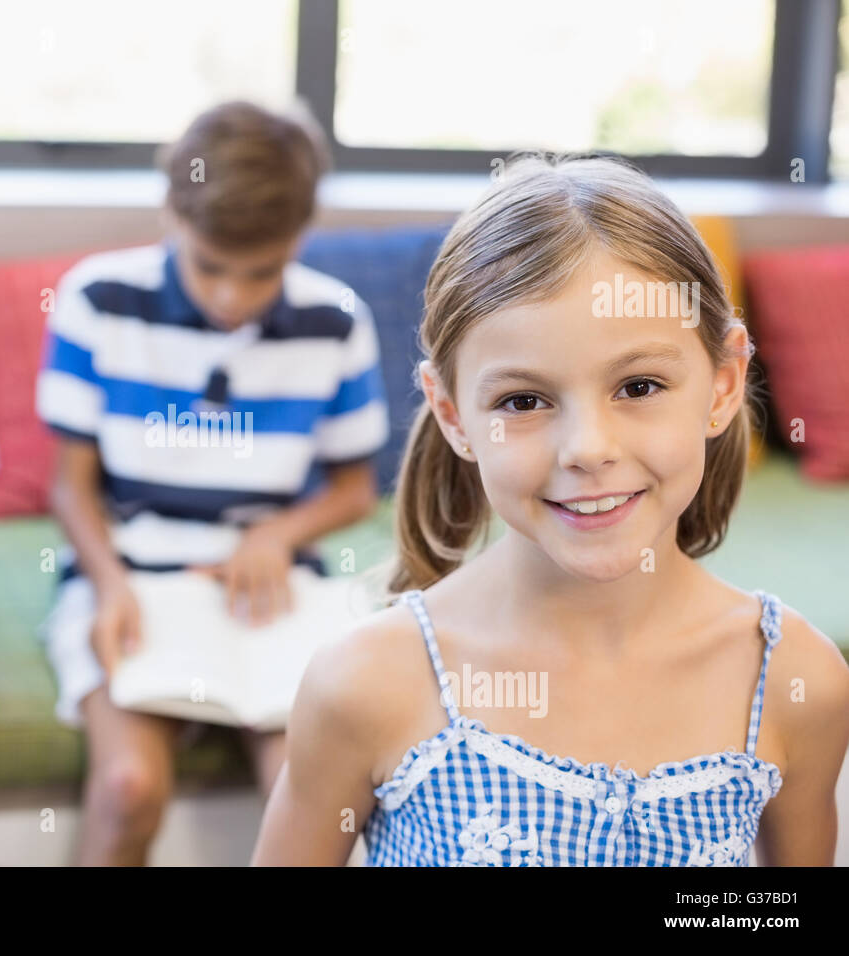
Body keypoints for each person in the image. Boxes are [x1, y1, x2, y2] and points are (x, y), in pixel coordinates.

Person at [252, 154, 849, 866]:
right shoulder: (366, 683)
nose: (587, 449)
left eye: (639, 385)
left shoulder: (793, 678)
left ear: (722, 384)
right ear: (452, 413)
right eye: (524, 401)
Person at [35, 101, 389, 865]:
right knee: (128, 785)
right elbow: (70, 486)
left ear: (299, 237)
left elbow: (355, 487)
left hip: (270, 587)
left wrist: (278, 533)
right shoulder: (98, 298)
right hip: (129, 577)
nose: (232, 298)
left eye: (260, 273)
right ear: (171, 214)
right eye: (210, 267)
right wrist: (109, 585)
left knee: (317, 800)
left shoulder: (335, 321)